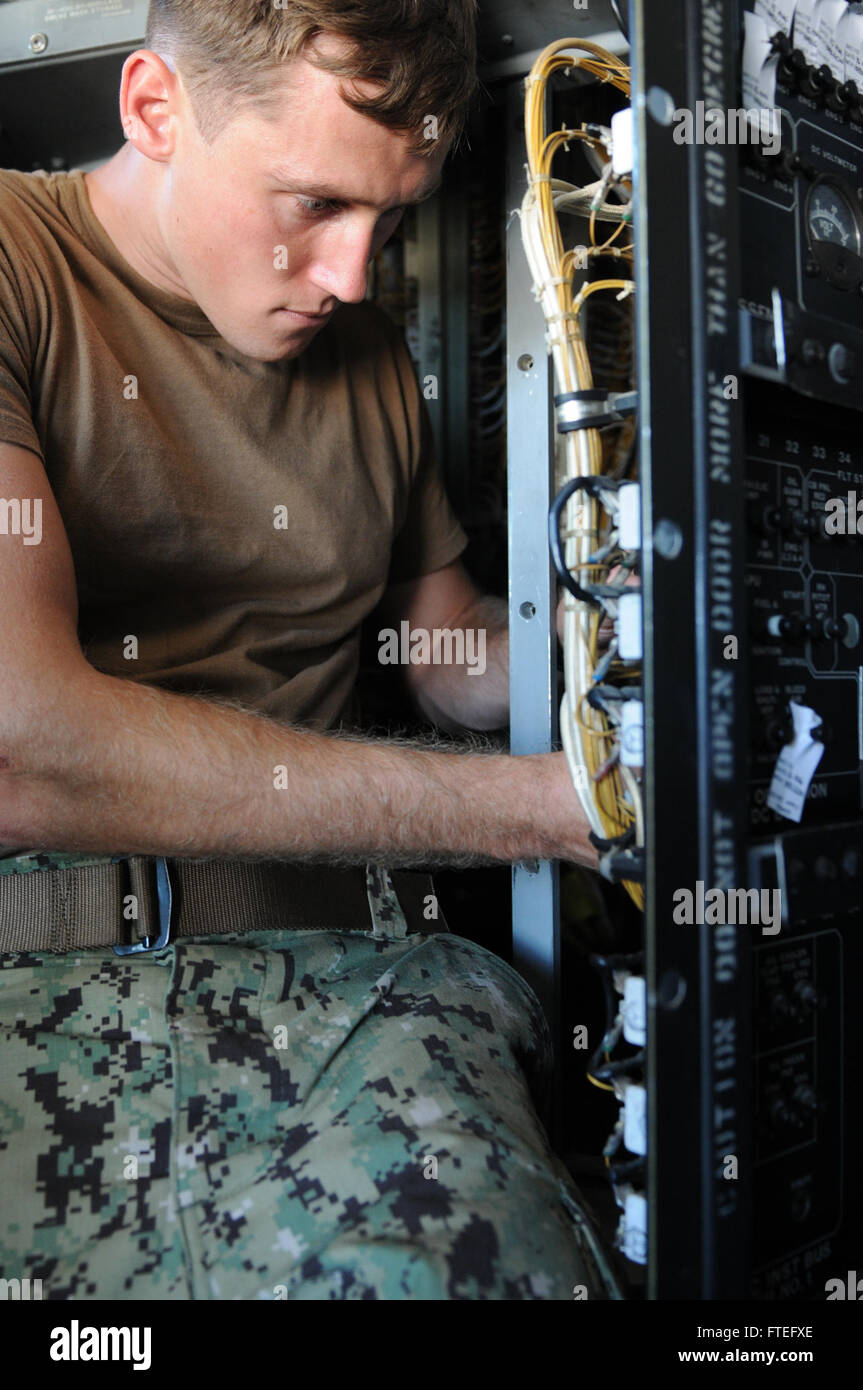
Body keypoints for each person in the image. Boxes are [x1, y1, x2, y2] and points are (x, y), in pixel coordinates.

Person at [0, 0, 616, 1300]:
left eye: (390, 221)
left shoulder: (376, 359)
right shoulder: (14, 267)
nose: (352, 274)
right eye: (314, 204)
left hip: (364, 992)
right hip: (38, 987)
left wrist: (616, 643)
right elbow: (25, 745)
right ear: (156, 109)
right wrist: (545, 811)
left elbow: (439, 642)